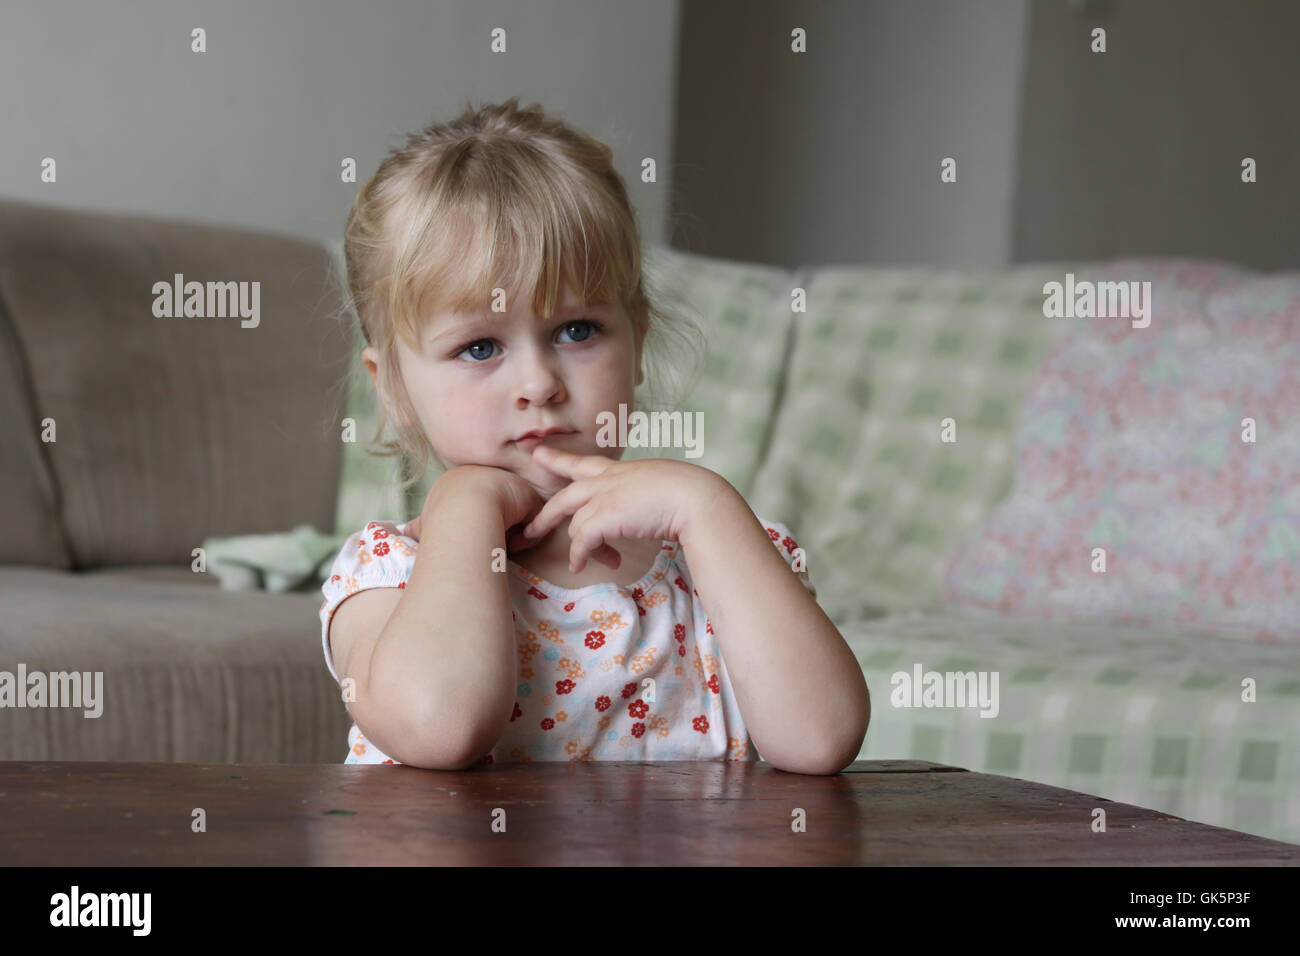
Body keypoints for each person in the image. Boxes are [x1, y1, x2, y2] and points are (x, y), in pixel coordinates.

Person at [319, 98, 869, 772]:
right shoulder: (386, 577)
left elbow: (822, 740)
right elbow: (440, 728)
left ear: (637, 341)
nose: (537, 383)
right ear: (394, 388)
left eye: (576, 331)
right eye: (479, 347)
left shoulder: (718, 558)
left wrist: (705, 506)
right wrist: (465, 505)